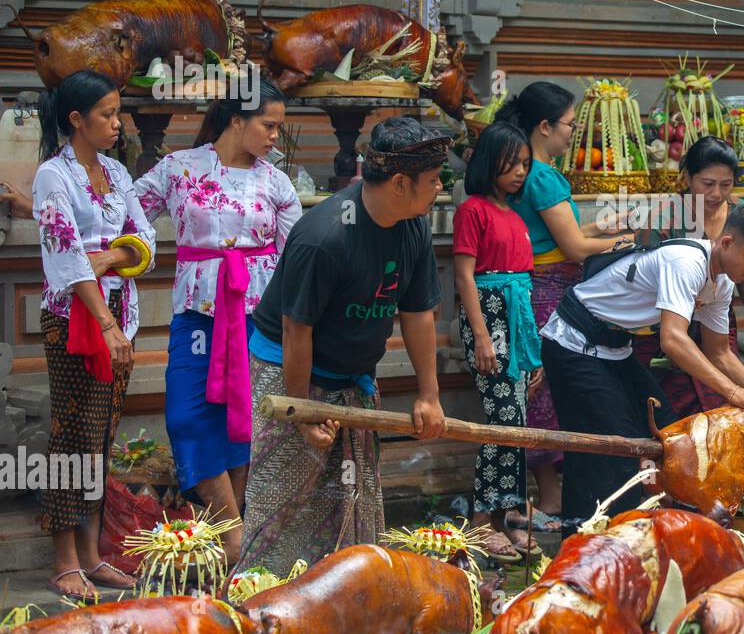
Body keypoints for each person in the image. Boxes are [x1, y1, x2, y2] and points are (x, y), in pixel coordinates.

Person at [235, 117, 450, 575]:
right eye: (432, 181)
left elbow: (417, 314)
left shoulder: (413, 227)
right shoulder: (324, 235)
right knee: (284, 501)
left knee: (352, 502)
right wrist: (301, 411)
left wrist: (429, 395)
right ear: (399, 183)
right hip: (291, 372)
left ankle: (344, 608)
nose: (438, 190)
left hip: (354, 377)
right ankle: (261, 608)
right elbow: (297, 331)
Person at [539, 204, 744, 533]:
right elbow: (673, 340)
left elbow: (719, 352)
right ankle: (595, 539)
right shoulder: (686, 262)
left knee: (672, 428)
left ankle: (668, 526)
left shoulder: (722, 282)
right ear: (727, 242)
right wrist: (733, 392)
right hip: (573, 342)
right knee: (615, 444)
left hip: (614, 348)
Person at [133, 83, 301, 563]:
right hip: (197, 312)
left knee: (243, 422)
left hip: (260, 316)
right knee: (186, 415)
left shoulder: (277, 183)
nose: (275, 136)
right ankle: (236, 533)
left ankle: (230, 544)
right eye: (268, 126)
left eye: (278, 127)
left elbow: (296, 258)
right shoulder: (178, 169)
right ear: (235, 121)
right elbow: (125, 213)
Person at [33, 70, 156, 600]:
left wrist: (112, 254)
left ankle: (91, 555)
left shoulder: (116, 172)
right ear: (76, 119)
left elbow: (145, 236)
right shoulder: (51, 176)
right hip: (75, 320)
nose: (116, 123)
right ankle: (64, 560)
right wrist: (102, 321)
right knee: (73, 437)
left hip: (119, 318)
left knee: (101, 438)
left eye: (117, 112)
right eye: (106, 114)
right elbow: (64, 251)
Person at [499, 82, 631, 529]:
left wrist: (603, 225)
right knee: (549, 390)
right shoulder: (540, 174)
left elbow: (564, 232)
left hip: (538, 285)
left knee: (541, 391)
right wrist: (628, 240)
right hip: (549, 289)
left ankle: (549, 493)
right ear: (544, 126)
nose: (572, 133)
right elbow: (575, 248)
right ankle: (552, 495)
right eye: (570, 125)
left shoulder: (529, 171)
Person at [453, 121, 544, 562]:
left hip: (518, 318)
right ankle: (482, 520)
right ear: (490, 161)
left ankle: (509, 516)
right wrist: (484, 336)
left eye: (525, 164)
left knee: (517, 422)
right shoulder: (472, 210)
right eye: (512, 163)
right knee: (503, 418)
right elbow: (464, 275)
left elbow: (523, 286)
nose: (520, 172)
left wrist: (532, 349)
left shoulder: (516, 216)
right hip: (488, 318)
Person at [632, 136, 744, 416]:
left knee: (725, 407)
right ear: (687, 177)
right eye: (707, 184)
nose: (717, 194)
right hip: (664, 325)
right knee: (672, 412)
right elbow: (641, 278)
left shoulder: (741, 213)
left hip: (715, 321)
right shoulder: (665, 218)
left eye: (726, 184)